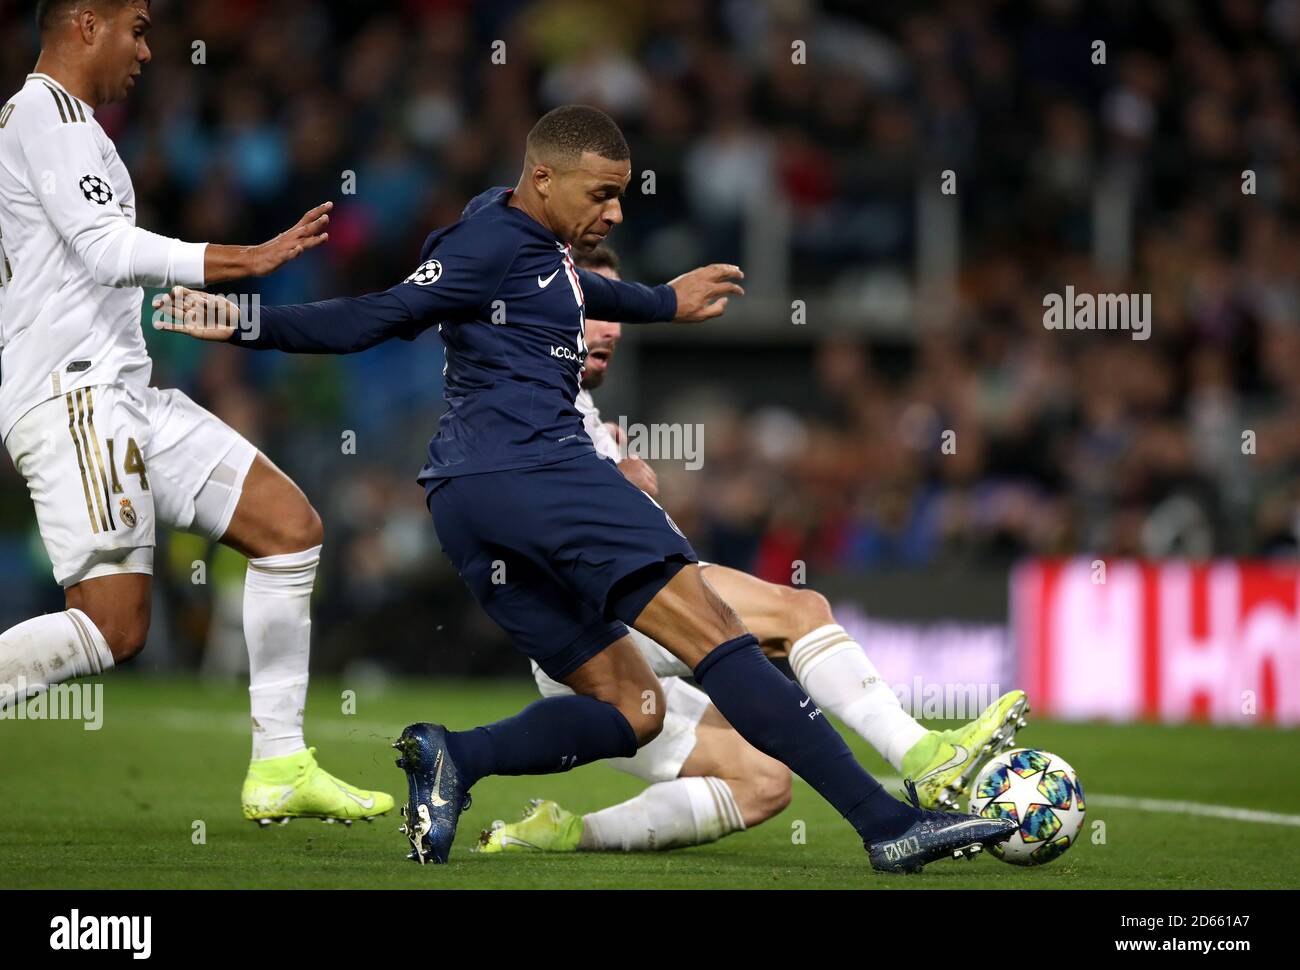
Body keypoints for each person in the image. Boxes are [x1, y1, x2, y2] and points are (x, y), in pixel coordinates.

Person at [154, 104, 1015, 872]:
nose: (615, 211)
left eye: (621, 195)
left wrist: (659, 302)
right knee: (725, 639)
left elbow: (577, 290)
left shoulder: (526, 245)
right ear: (542, 177)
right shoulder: (486, 243)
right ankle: (885, 822)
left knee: (631, 704)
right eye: (602, 194)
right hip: (541, 471)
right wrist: (243, 319)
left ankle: (457, 756)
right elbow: (376, 315)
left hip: (468, 504)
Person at [475, 244, 1029, 853]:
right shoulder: (531, 399)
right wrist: (608, 480)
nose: (609, 328)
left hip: (612, 644)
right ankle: (924, 756)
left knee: (763, 783)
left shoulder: (576, 405)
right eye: (591, 311)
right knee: (799, 612)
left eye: (614, 312)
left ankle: (563, 834)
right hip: (603, 619)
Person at [0, 0, 392, 825]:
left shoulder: (66, 126)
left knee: (288, 526)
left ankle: (280, 762)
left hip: (124, 392)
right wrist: (237, 257)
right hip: (78, 398)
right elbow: (107, 249)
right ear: (84, 24)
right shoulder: (49, 115)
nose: (147, 49)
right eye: (136, 28)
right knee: (115, 627)